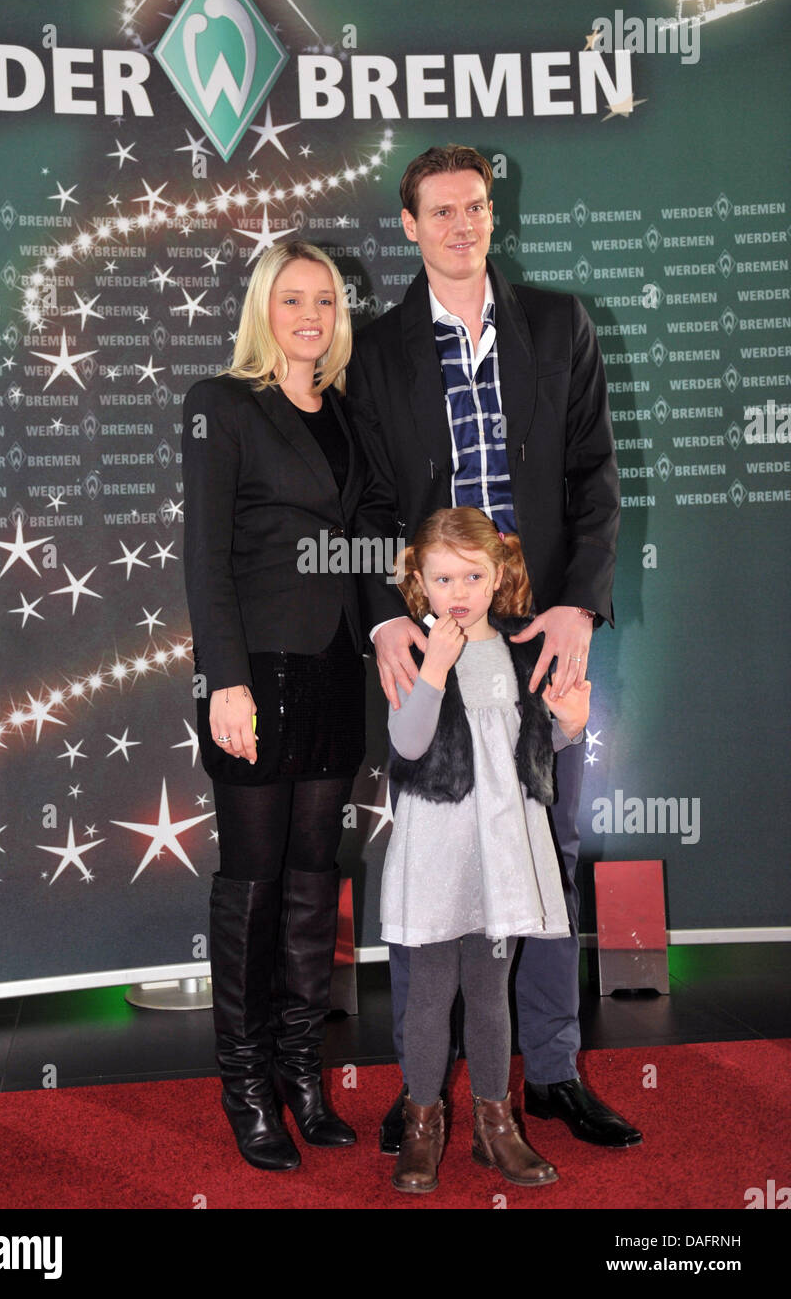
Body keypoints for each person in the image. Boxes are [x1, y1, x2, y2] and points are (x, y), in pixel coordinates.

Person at [344, 143, 641, 1151]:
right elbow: (367, 501)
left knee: (544, 852)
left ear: (489, 215)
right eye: (441, 211)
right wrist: (389, 617)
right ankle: (423, 1082)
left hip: (538, 630)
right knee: (429, 855)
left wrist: (577, 608)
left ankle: (549, 1071)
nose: (462, 224)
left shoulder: (558, 324)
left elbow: (596, 479)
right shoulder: (377, 350)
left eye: (475, 207)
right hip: (437, 641)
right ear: (411, 224)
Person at [181, 240, 367, 1171]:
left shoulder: (344, 412)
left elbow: (365, 540)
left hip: (335, 670)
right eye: (292, 298)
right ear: (264, 308)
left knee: (310, 880)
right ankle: (246, 1085)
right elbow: (204, 556)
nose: (310, 314)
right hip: (257, 672)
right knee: (253, 883)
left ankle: (304, 1074)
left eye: (324, 300)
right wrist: (226, 680)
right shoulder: (222, 405)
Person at [383, 508, 589, 1193]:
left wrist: (568, 724)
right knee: (430, 993)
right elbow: (409, 744)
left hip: (500, 851)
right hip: (440, 849)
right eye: (443, 578)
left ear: (499, 574)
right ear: (420, 582)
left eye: (473, 575)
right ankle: (422, 1122)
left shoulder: (518, 649)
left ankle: (496, 1127)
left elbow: (530, 747)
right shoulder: (413, 650)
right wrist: (435, 669)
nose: (460, 591)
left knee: (491, 992)